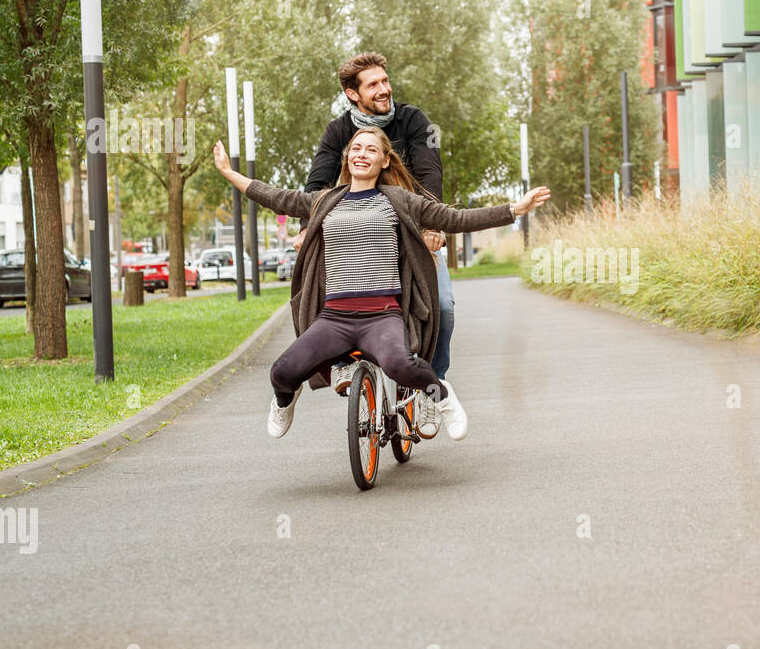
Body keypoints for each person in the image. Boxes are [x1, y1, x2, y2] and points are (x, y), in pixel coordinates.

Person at [212, 129, 550, 441]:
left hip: (381, 315)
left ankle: (441, 394)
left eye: (371, 149)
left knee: (401, 366)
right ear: (347, 157)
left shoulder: (397, 200)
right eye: (355, 148)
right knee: (283, 372)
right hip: (334, 318)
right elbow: (275, 197)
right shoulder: (324, 201)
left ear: (384, 160)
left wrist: (514, 209)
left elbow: (453, 218)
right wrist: (229, 173)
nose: (361, 154)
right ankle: (285, 400)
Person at [299, 51, 456, 394]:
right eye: (374, 85)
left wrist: (432, 227)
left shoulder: (415, 120)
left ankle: (435, 382)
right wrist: (303, 230)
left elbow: (430, 173)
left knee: (442, 305)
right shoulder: (338, 132)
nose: (385, 89)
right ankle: (341, 363)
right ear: (352, 94)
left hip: (412, 232)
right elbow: (316, 185)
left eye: (385, 80)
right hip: (358, 235)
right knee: (319, 292)